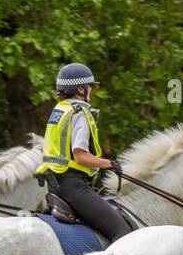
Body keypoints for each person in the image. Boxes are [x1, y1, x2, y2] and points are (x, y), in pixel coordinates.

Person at [35, 62, 132, 243]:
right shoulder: (79, 113)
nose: (91, 92)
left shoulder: (59, 110)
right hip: (74, 187)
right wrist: (109, 164)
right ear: (81, 89)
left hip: (55, 184)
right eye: (90, 87)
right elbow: (80, 156)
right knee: (123, 233)